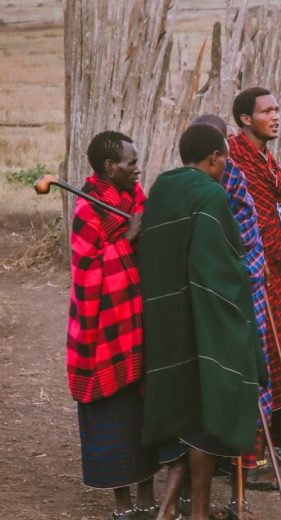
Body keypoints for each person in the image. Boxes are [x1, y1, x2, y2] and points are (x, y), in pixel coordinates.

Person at [139, 124, 267, 520]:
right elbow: (220, 266)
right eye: (224, 158)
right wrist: (247, 279)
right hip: (201, 320)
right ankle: (197, 512)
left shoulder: (162, 187)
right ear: (214, 158)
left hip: (164, 318)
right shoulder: (211, 194)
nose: (225, 164)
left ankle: (168, 508)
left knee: (182, 411)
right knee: (205, 415)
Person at [67, 131, 157, 520]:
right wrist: (127, 241)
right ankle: (122, 504)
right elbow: (86, 274)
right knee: (113, 413)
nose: (137, 170)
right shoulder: (88, 211)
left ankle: (148, 495)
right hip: (104, 332)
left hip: (141, 323)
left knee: (146, 410)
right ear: (109, 168)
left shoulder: (136, 200)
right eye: (131, 163)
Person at [228, 87, 281, 471]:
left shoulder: (266, 161)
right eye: (267, 111)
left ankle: (272, 441)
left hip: (279, 277)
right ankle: (249, 450)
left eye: (277, 109)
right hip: (252, 279)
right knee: (260, 361)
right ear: (246, 119)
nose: (276, 116)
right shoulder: (232, 161)